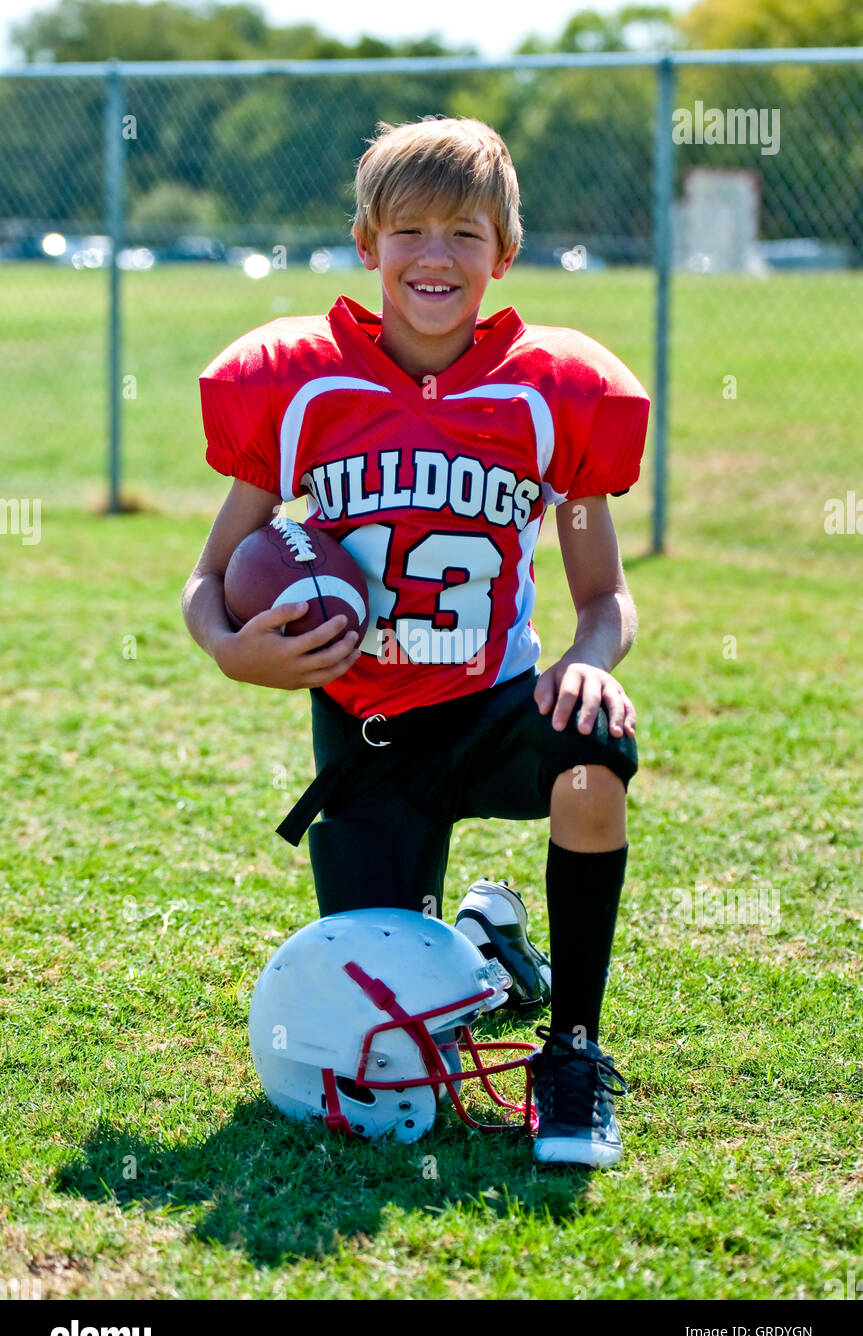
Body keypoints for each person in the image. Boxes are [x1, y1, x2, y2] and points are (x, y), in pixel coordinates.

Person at [182, 116, 649, 1168]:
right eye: (409, 230)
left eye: (464, 234)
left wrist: (587, 660)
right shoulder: (302, 388)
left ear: (505, 252)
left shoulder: (548, 396)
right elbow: (206, 578)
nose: (434, 256)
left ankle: (569, 1049)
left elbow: (606, 596)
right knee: (388, 1012)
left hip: (492, 704)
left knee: (594, 760)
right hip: (364, 730)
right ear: (366, 242)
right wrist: (226, 646)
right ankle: (483, 942)